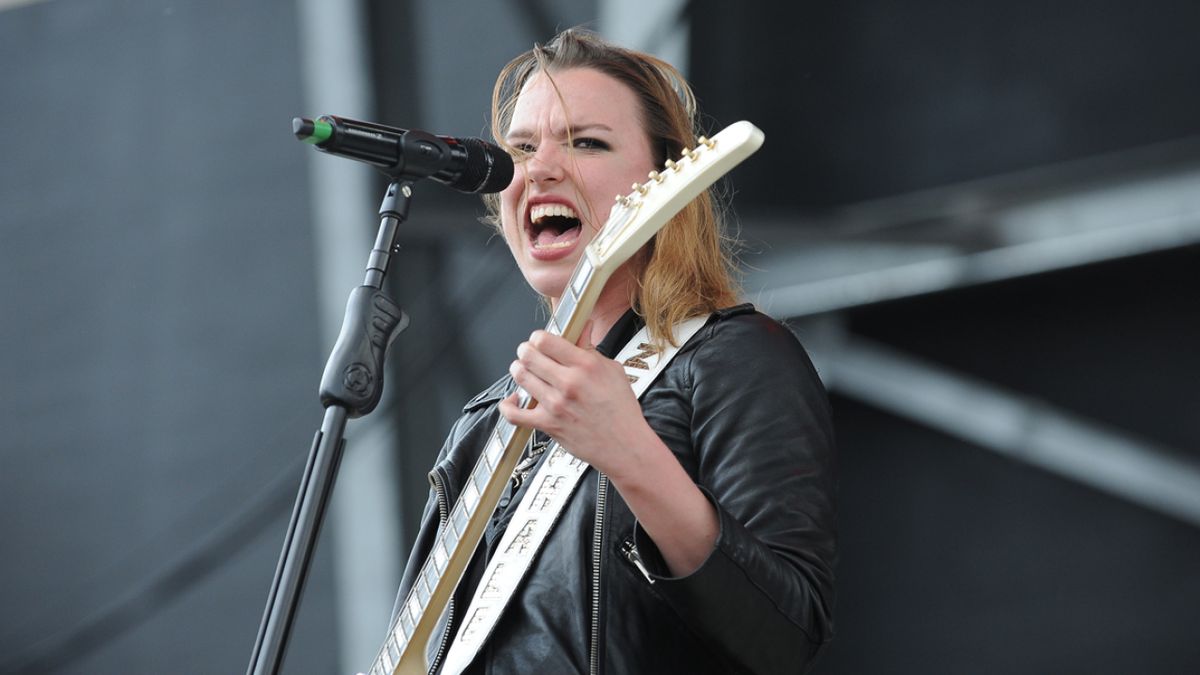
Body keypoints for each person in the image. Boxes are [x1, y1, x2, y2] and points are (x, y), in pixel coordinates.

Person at [393, 28, 836, 675]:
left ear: (666, 181)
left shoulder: (733, 362)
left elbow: (784, 637)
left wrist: (631, 453)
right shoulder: (483, 424)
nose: (539, 168)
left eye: (586, 142)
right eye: (521, 148)